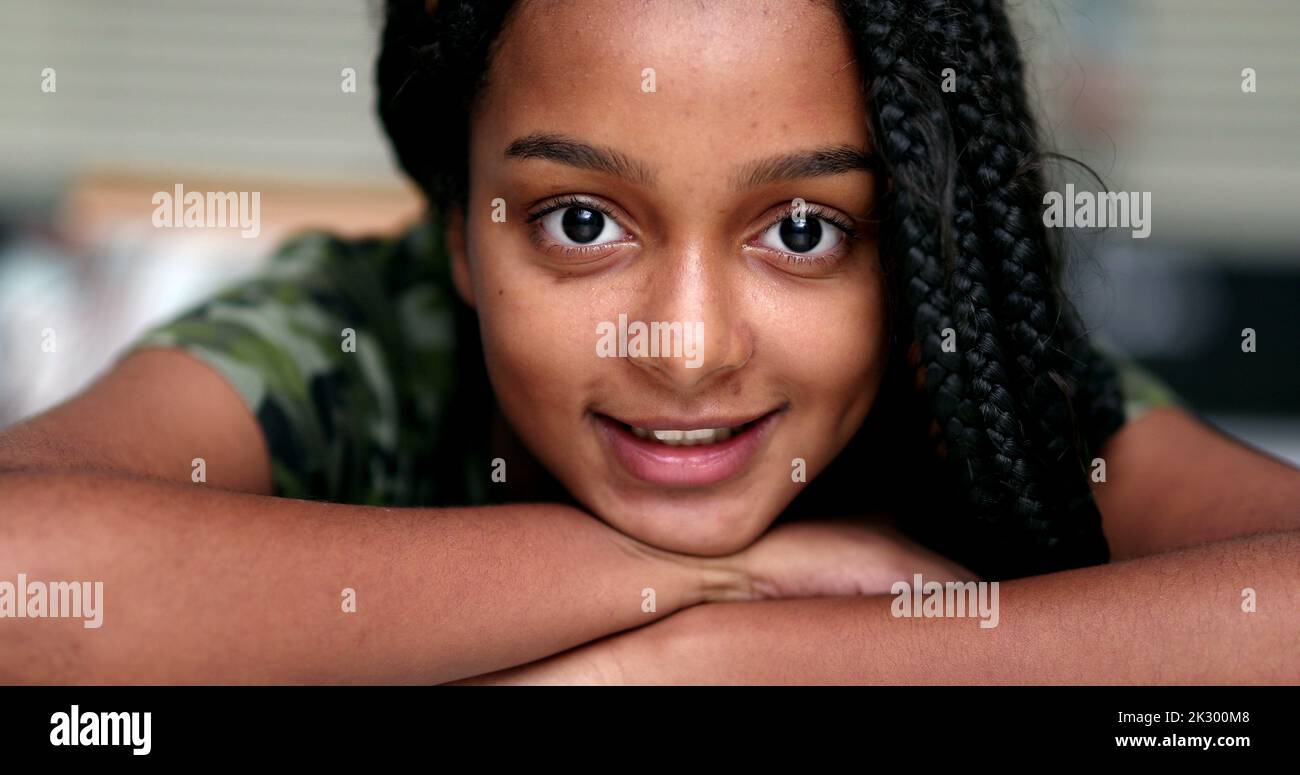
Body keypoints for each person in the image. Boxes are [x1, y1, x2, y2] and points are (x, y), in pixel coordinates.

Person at [2, 0, 1296, 684]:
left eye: (801, 231)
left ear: (913, 251)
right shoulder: (359, 335)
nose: (684, 347)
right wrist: (697, 579)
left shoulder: (973, 374)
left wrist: (731, 661)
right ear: (457, 227)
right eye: (580, 220)